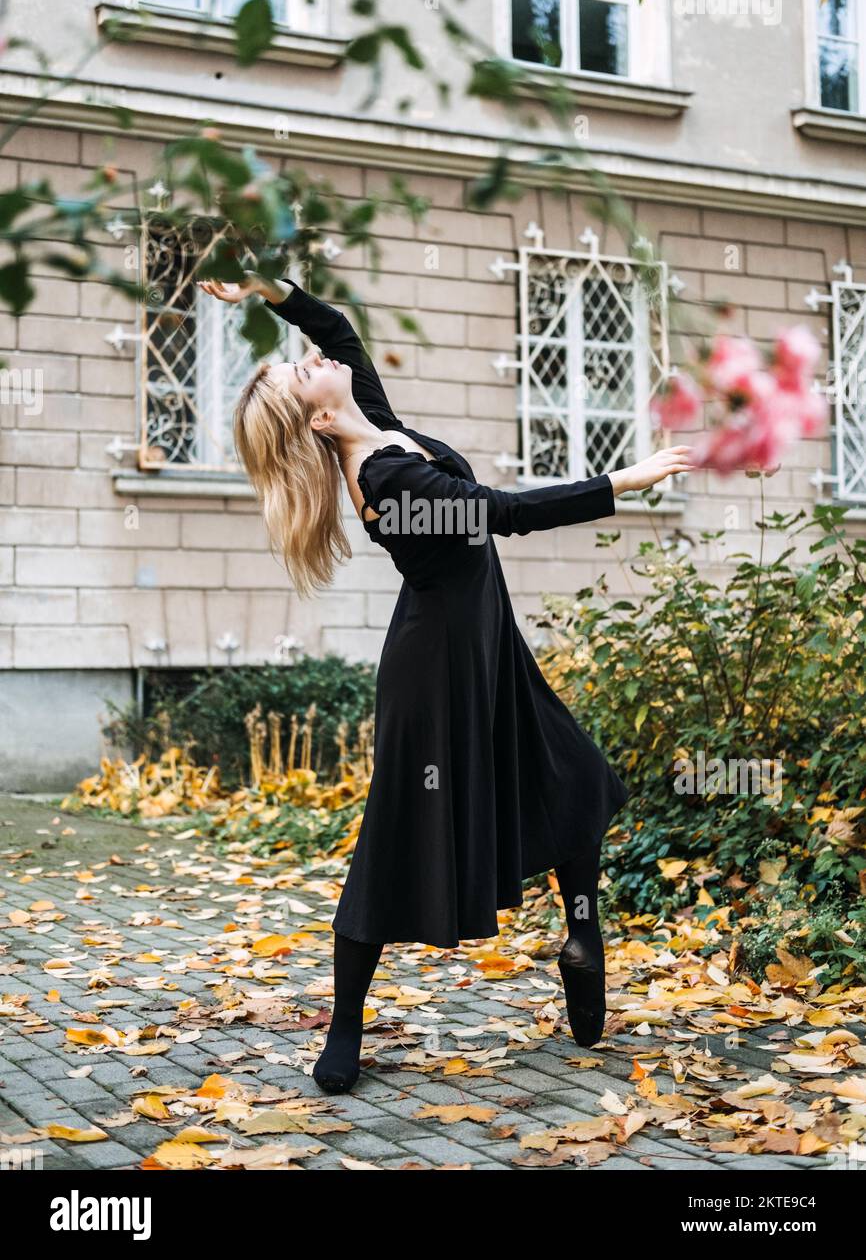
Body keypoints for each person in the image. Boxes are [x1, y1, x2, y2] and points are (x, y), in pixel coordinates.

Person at [198, 272, 693, 1093]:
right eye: (301, 370)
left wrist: (264, 287)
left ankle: (582, 938)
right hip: (435, 674)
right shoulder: (386, 480)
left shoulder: (375, 427)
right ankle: (345, 1030)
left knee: (573, 779)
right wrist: (626, 482)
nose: (315, 358)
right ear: (317, 417)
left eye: (303, 358)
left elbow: (336, 328)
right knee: (394, 840)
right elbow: (505, 512)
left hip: (487, 645)